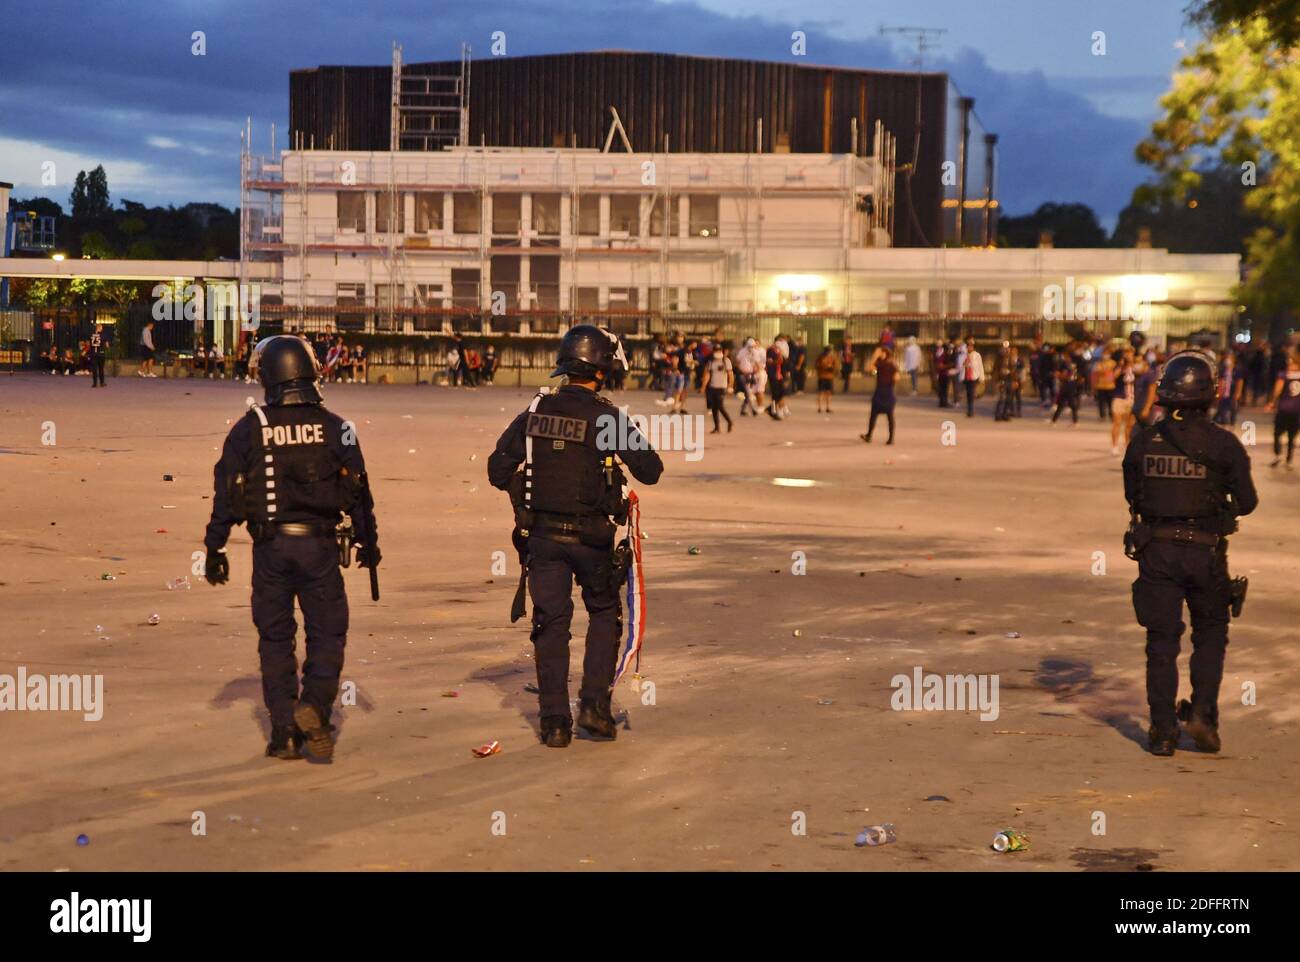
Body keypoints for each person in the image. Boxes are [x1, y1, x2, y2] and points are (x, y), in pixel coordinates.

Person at [201, 335, 380, 761]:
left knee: (276, 638)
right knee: (327, 634)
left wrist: (215, 547)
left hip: (270, 549)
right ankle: (314, 707)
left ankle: (283, 729)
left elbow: (226, 491)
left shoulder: (250, 427)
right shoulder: (339, 428)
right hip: (319, 549)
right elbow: (359, 491)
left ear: (268, 376)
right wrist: (368, 542)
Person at [488, 325, 663, 748]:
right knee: (604, 614)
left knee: (550, 624)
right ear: (602, 369)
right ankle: (593, 707)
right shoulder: (606, 417)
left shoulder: (535, 412)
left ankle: (553, 724)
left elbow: (496, 471)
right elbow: (651, 471)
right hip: (593, 540)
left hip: (543, 540)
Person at [1123, 350, 1257, 756]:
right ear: (1210, 394)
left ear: (1164, 395)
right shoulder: (1225, 444)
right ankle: (1202, 715)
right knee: (1211, 635)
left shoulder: (1144, 442)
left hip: (1157, 551)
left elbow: (1133, 494)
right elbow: (1248, 502)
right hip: (1206, 553)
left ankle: (1163, 732)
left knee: (1161, 642)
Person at [1265, 345, 1300, 469]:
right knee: (1292, 437)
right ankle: (1288, 460)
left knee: (1277, 433)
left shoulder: (1284, 374)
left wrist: (1272, 402)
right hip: (1296, 411)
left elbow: (1278, 390)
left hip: (1284, 409)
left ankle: (1278, 455)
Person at [860, 345, 897, 444]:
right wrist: (875, 357)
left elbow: (896, 376)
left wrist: (875, 357)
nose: (879, 354)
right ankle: (869, 435)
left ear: (885, 353)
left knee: (889, 416)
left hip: (887, 392)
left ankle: (890, 438)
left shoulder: (890, 364)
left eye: (881, 352)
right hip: (880, 392)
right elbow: (869, 369)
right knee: (873, 415)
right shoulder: (880, 363)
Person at [701, 339, 734, 433]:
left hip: (722, 387)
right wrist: (703, 386)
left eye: (719, 350)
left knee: (720, 406)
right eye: (716, 350)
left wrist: (730, 386)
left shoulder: (726, 361)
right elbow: (707, 374)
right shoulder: (711, 362)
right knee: (714, 408)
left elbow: (730, 375)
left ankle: (729, 422)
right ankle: (717, 427)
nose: (717, 352)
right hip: (712, 387)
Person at [1110, 350, 1138, 455]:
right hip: (1119, 399)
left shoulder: (1135, 369)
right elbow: (1112, 378)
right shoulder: (1118, 368)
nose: (1129, 357)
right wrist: (1121, 366)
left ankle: (1127, 445)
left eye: (1131, 355)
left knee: (1130, 425)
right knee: (1117, 422)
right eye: (1127, 355)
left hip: (1132, 399)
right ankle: (1114, 446)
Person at [958, 337, 984, 417]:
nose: (969, 348)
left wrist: (982, 377)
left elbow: (980, 366)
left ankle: (971, 410)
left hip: (973, 377)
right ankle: (969, 409)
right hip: (965, 377)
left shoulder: (976, 355)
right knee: (967, 394)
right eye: (968, 346)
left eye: (971, 346)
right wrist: (963, 365)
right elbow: (959, 366)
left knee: (971, 393)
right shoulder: (963, 355)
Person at [815, 345, 837, 413]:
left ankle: (824, 407)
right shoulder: (822, 357)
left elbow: (835, 366)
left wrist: (831, 368)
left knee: (825, 392)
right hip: (825, 376)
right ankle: (822, 407)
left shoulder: (831, 357)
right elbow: (817, 365)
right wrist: (827, 367)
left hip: (826, 376)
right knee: (824, 392)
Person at [88, 324, 108, 388]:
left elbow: (89, 344)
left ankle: (95, 383)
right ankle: (102, 383)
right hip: (101, 354)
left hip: (94, 354)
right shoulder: (103, 335)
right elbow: (107, 345)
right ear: (100, 328)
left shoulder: (92, 335)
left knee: (94, 369)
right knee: (101, 368)